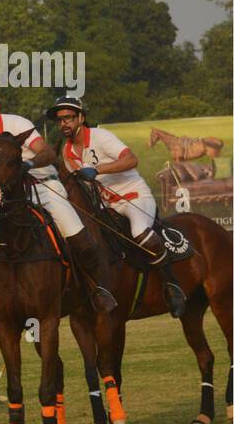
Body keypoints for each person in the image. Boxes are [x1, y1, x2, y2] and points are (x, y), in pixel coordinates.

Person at [0, 78, 116, 335]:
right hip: (10, 199)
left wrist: (27, 165)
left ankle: (98, 290)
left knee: (81, 240)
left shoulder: (16, 123)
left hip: (44, 186)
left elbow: (48, 153)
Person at [48, 95, 185, 317]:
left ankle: (172, 285)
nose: (64, 123)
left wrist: (98, 169)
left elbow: (131, 159)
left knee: (139, 233)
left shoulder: (101, 136)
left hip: (134, 197)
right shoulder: (66, 152)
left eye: (69, 117)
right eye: (60, 119)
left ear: (81, 118)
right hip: (106, 206)